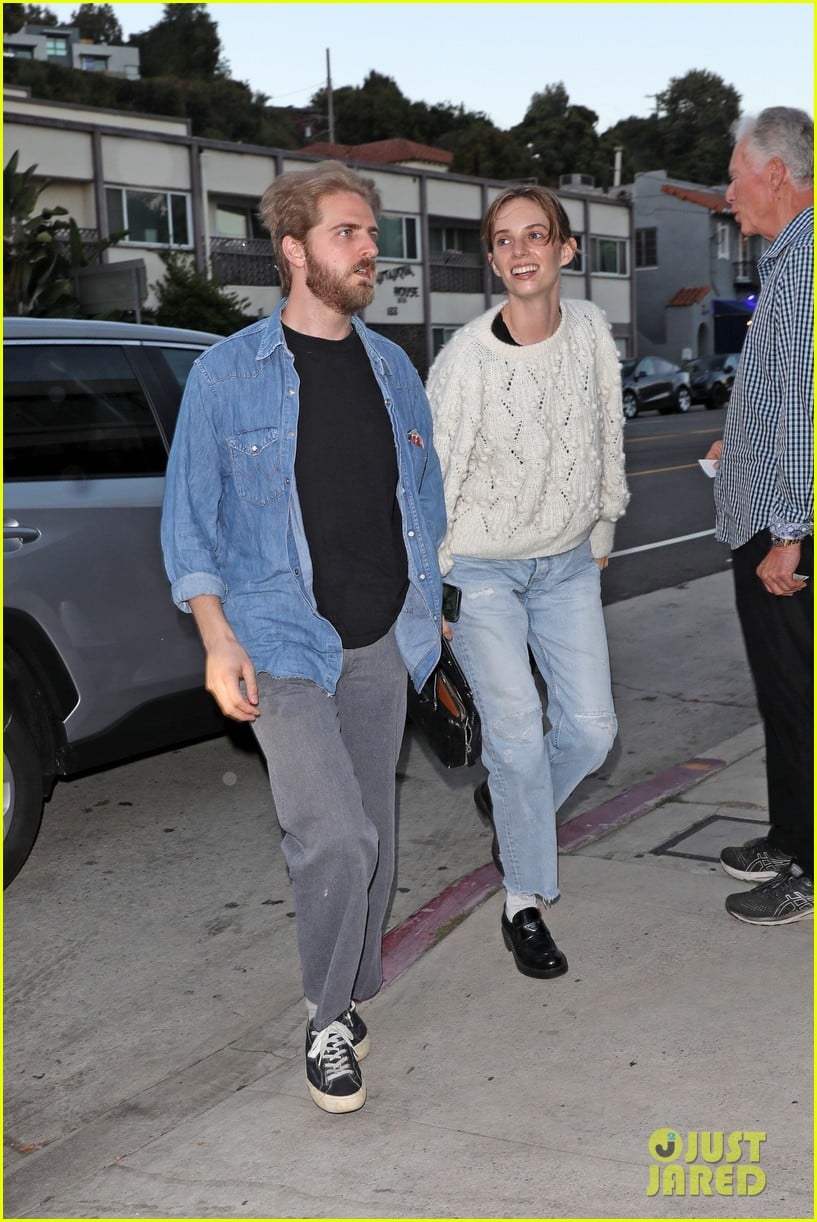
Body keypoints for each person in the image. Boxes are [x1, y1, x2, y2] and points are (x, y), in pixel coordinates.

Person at [161, 161, 446, 1113]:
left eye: (371, 234)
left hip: (378, 639)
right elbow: (188, 521)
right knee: (333, 835)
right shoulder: (226, 372)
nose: (371, 251)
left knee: (377, 845)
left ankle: (351, 986)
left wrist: (431, 606)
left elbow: (422, 500)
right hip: (278, 639)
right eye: (348, 234)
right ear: (294, 250)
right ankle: (326, 1019)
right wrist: (214, 638)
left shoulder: (393, 368)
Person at [427, 185, 629, 979]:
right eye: (503, 240)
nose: (519, 252)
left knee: (589, 731)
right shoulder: (464, 363)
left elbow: (606, 431)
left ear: (564, 250)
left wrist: (604, 525)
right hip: (478, 569)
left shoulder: (589, 332)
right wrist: (433, 593)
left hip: (569, 560)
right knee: (514, 738)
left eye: (534, 236)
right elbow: (430, 485)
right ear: (492, 259)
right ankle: (524, 903)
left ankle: (514, 806)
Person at [705, 107, 814, 925]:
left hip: (785, 530)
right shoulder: (785, 261)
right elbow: (777, 395)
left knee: (801, 696)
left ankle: (809, 868)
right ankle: (788, 835)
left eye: (735, 175)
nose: (726, 194)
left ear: (774, 173)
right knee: (780, 695)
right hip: (766, 521)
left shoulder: (805, 262)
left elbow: (804, 410)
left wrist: (789, 530)